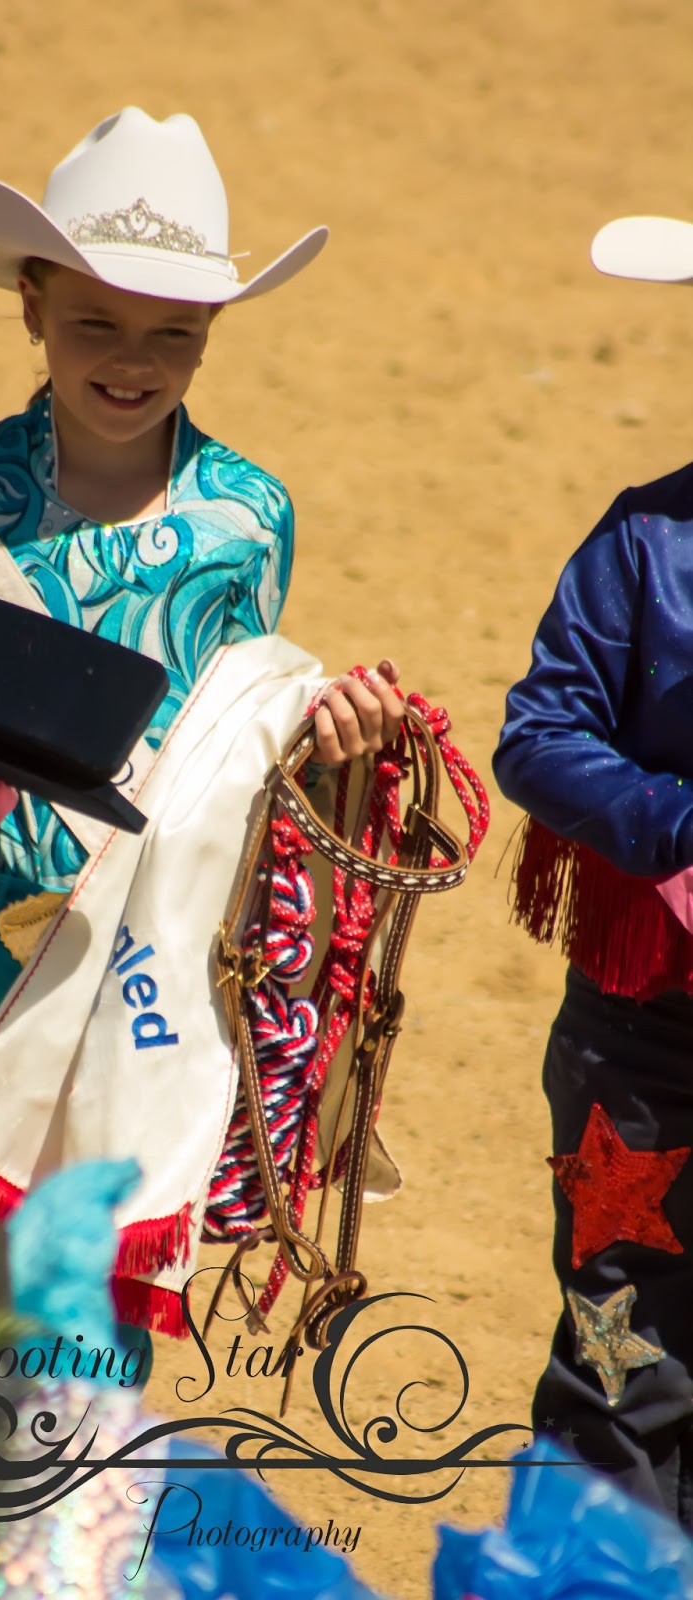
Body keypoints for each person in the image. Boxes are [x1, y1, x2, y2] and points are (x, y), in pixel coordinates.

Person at [0, 109, 403, 1301]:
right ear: (31, 305)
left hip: (138, 950)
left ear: (212, 332)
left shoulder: (248, 516)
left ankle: (72, 1483)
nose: (131, 359)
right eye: (96, 320)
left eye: (174, 332)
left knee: (91, 1260)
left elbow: (237, 726)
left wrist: (329, 744)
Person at [493, 212, 693, 1526]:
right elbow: (537, 732)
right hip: (648, 1040)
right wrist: (671, 820)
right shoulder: (643, 544)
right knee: (620, 1369)